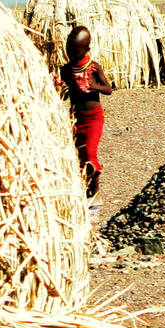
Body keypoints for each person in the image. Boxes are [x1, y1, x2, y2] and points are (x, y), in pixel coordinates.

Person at [56, 25, 113, 203]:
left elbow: (108, 89)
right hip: (76, 117)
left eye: (76, 51)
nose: (72, 54)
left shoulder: (94, 67)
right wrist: (58, 86)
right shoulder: (65, 70)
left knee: (89, 154)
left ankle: (95, 193)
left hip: (94, 118)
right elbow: (65, 94)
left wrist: (94, 86)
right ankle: (86, 190)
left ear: (87, 49)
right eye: (70, 50)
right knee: (80, 156)